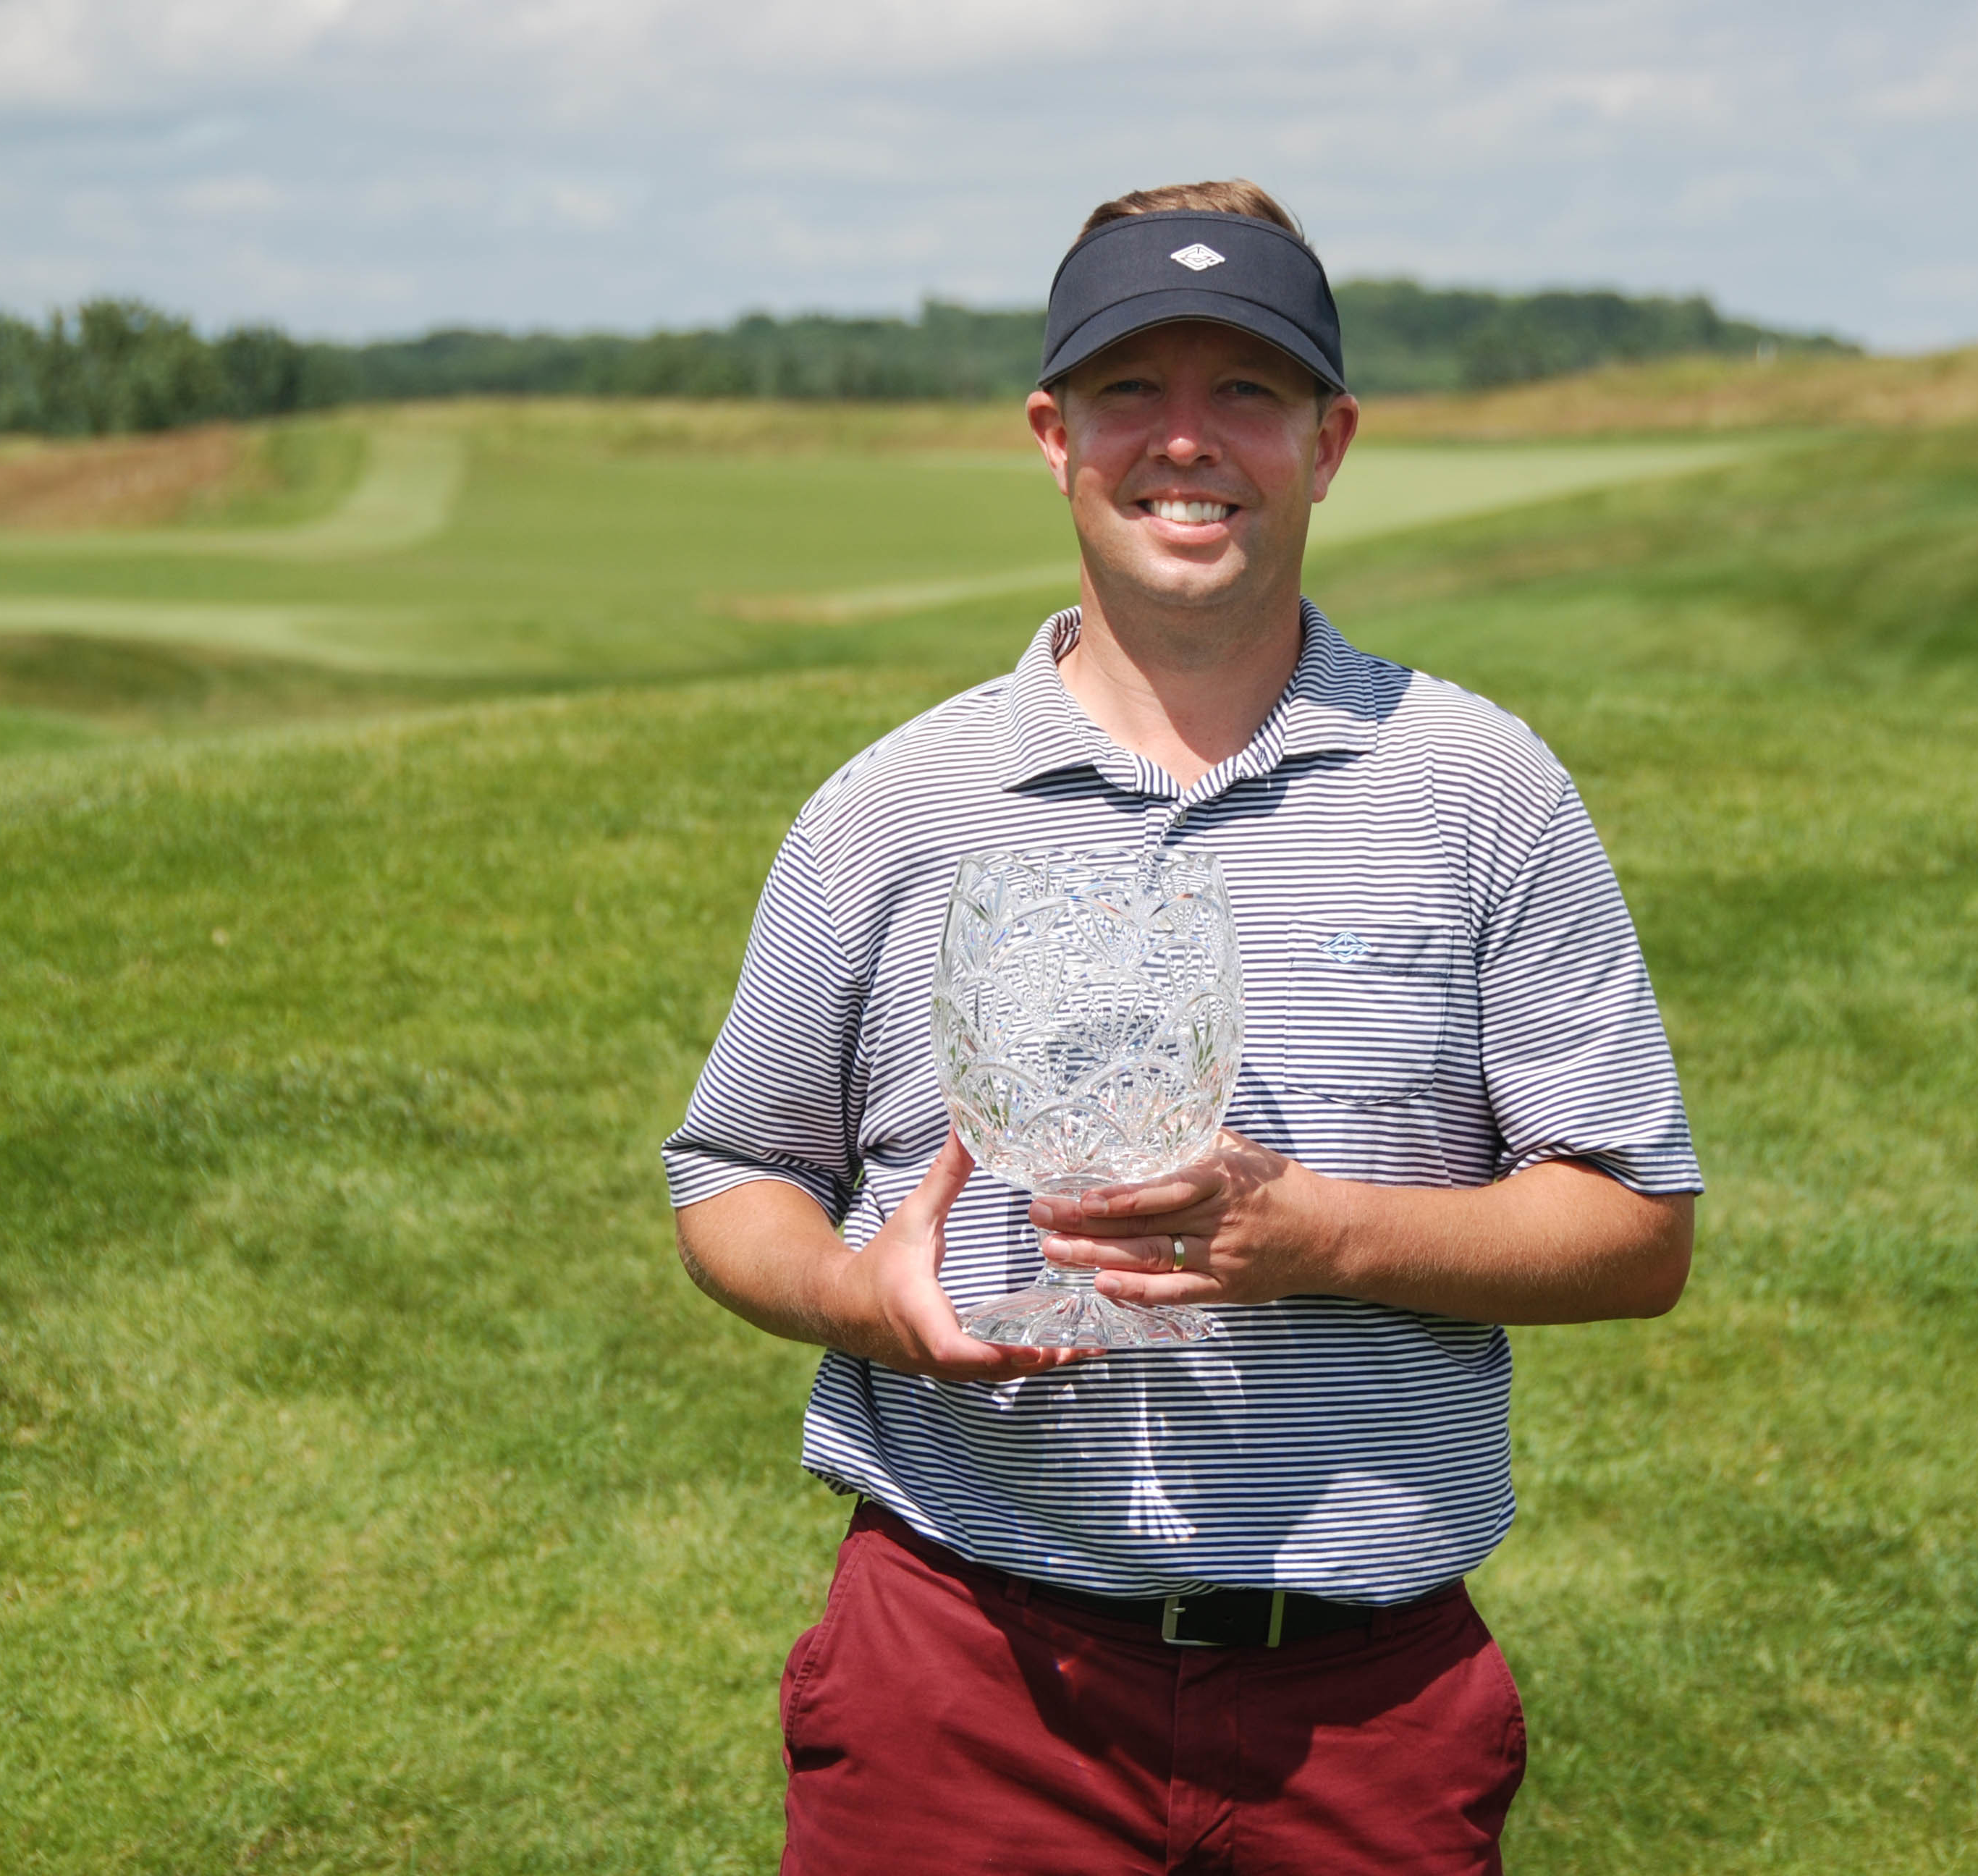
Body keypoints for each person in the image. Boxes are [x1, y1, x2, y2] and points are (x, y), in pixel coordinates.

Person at [665, 179, 1702, 1875]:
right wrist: (852, 1294)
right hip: (965, 1681)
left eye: (1248, 393)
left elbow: (1636, 1232)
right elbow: (728, 1177)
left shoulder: (1480, 792)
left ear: (1331, 436)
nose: (1186, 443)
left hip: (1357, 1711)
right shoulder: (893, 805)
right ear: (1051, 431)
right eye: (1133, 391)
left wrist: (1319, 1236)